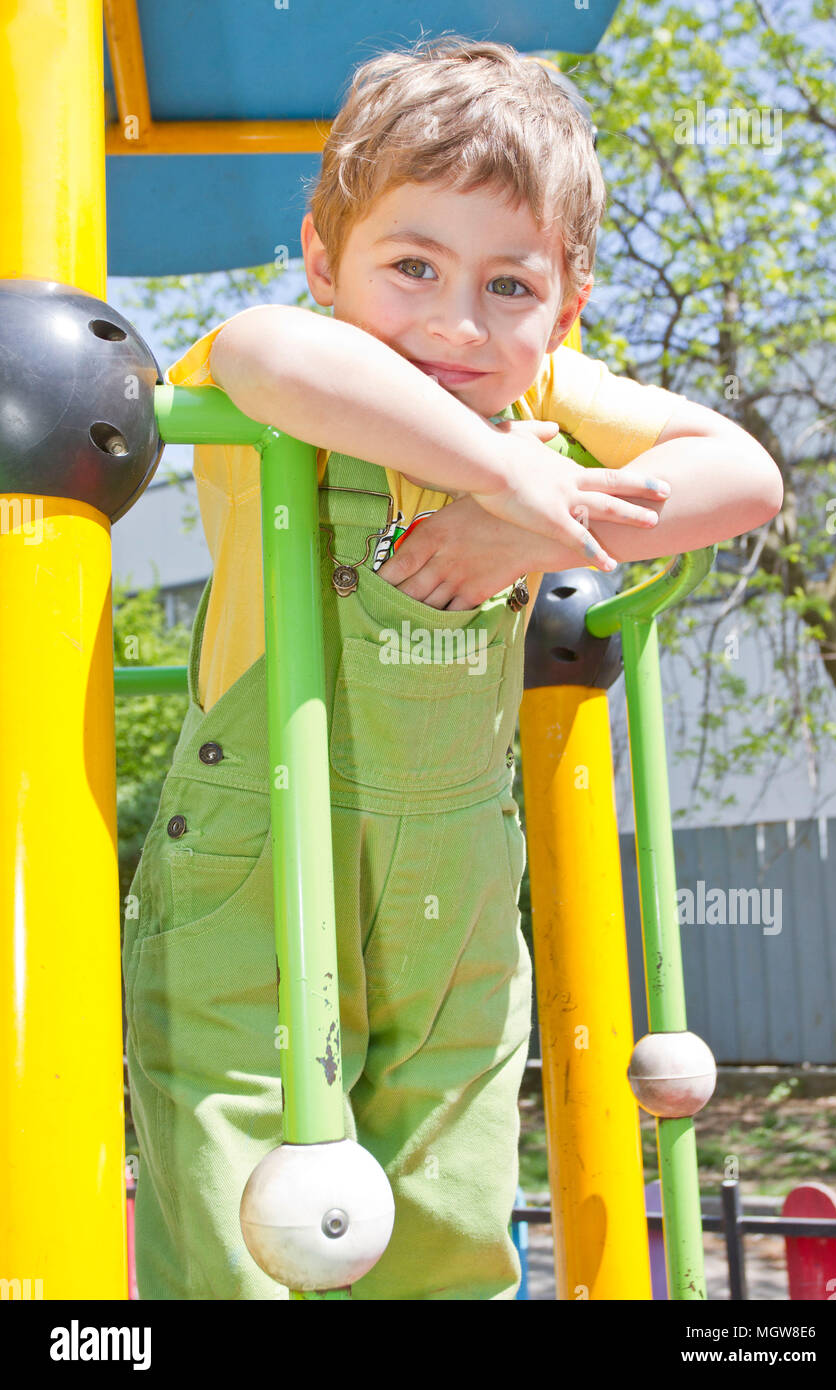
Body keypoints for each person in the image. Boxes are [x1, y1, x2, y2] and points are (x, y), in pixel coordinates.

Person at [122, 36, 783, 1301]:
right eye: (410, 265)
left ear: (563, 303)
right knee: (238, 1206)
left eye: (507, 285)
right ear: (326, 259)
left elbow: (739, 473)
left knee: (446, 1201)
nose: (453, 321)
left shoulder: (544, 400)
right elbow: (270, 349)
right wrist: (506, 473)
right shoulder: (291, 376)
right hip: (251, 880)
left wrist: (510, 522)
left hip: (460, 899)